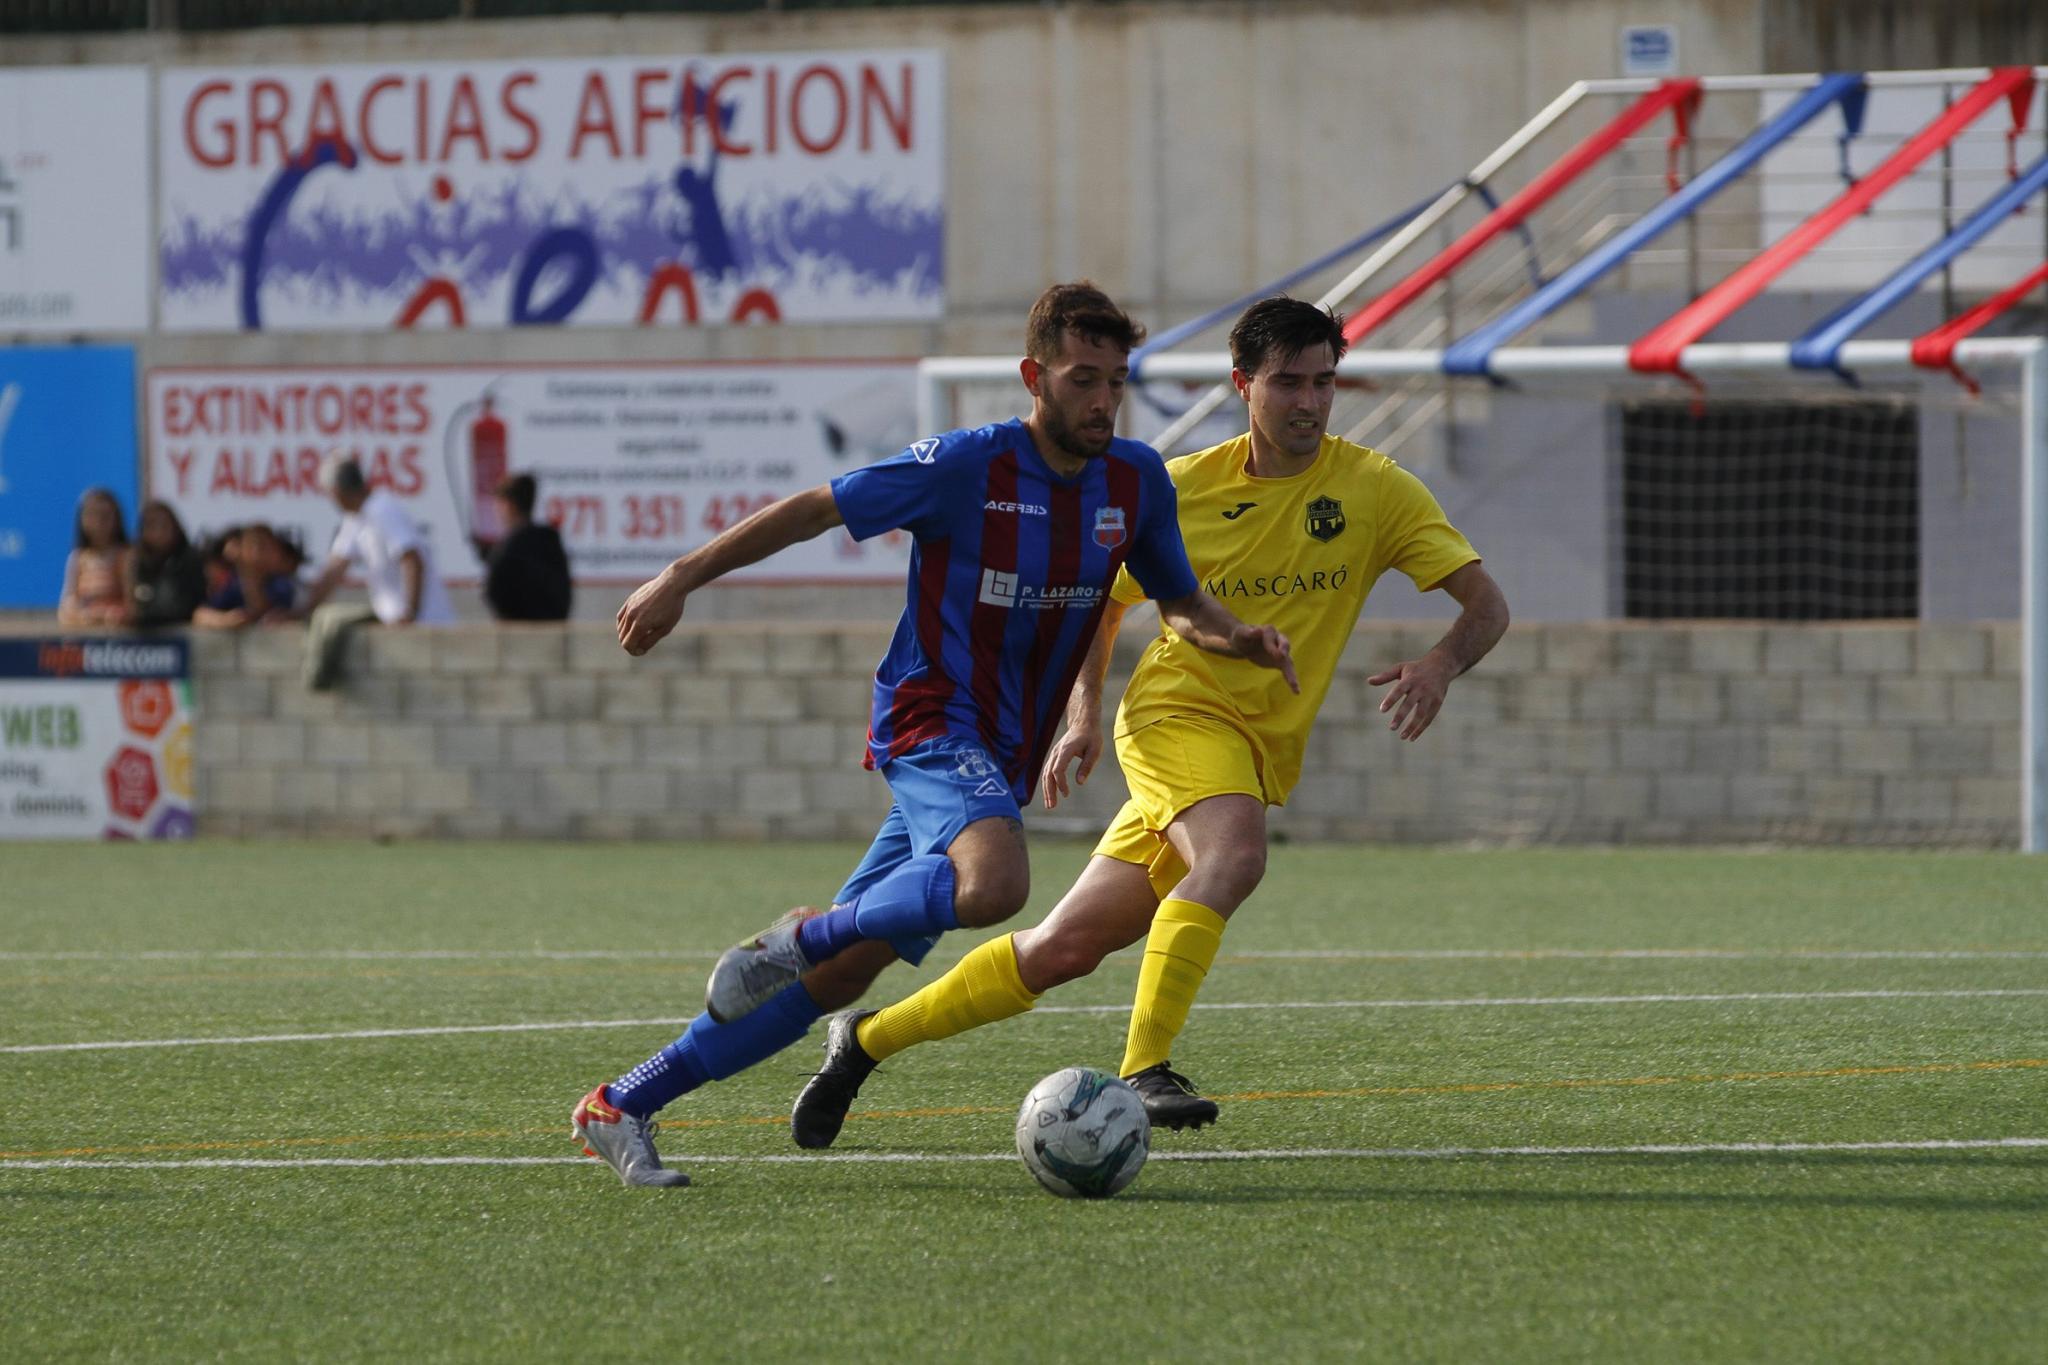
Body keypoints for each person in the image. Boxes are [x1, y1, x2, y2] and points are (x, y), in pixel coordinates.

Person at [572, 281, 1300, 1187]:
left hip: (997, 756)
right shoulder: (966, 466)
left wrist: (1239, 635)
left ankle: (624, 1101)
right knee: (995, 884)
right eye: (1083, 379)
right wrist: (681, 574)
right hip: (929, 718)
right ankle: (799, 933)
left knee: (840, 980)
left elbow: (1179, 600)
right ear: (1035, 377)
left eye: (1117, 379)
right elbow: (817, 506)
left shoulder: (1134, 480)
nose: (1104, 400)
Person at [788, 297, 1510, 1146]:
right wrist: (1083, 713)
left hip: (1257, 746)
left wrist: (1438, 664)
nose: (1309, 402)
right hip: (1175, 716)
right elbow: (1103, 603)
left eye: (1324, 382)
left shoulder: (1375, 489)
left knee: (1063, 948)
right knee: (1234, 855)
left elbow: (1486, 604)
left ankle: (863, 1041)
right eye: (1287, 383)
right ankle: (1145, 1067)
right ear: (1243, 384)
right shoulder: (1175, 486)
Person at [297, 454, 457, 687]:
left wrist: (409, 612)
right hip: (394, 621)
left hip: (423, 622)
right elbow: (334, 569)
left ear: (337, 491)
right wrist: (303, 611)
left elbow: (412, 559)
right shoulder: (355, 519)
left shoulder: (382, 510)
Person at [480, 474, 572, 621]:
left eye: (499, 503)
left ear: (509, 505)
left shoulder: (508, 548)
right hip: (553, 635)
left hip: (518, 636)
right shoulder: (549, 540)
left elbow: (493, 591)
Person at [192, 523, 304, 629]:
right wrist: (224, 620)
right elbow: (200, 614)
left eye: (263, 546)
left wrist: (247, 574)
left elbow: (263, 610)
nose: (256, 553)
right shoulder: (234, 584)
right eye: (251, 546)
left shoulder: (283, 583)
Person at [57, 488, 133, 628]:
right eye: (92, 515)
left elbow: (132, 601)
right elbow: (67, 603)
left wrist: (112, 615)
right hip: (85, 633)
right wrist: (84, 616)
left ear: (116, 519)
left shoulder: (125, 556)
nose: (98, 522)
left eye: (105, 516)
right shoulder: (77, 558)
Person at [129, 501, 208, 629]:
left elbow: (192, 604)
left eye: (164, 525)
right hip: (145, 637)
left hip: (187, 634)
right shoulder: (136, 563)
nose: (159, 532)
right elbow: (135, 607)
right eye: (152, 526)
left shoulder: (190, 560)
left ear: (176, 527)